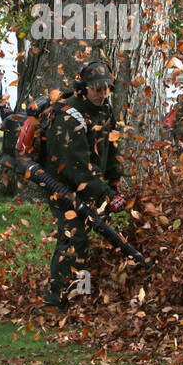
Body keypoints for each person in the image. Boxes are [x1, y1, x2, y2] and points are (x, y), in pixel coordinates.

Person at [41, 60, 125, 309]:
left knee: (92, 238)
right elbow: (75, 169)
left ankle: (82, 293)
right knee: (74, 237)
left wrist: (115, 179)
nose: (102, 94)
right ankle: (55, 300)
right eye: (97, 89)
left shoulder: (104, 110)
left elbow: (110, 148)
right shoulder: (70, 116)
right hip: (62, 186)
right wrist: (107, 194)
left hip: (92, 185)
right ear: (83, 88)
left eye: (106, 89)